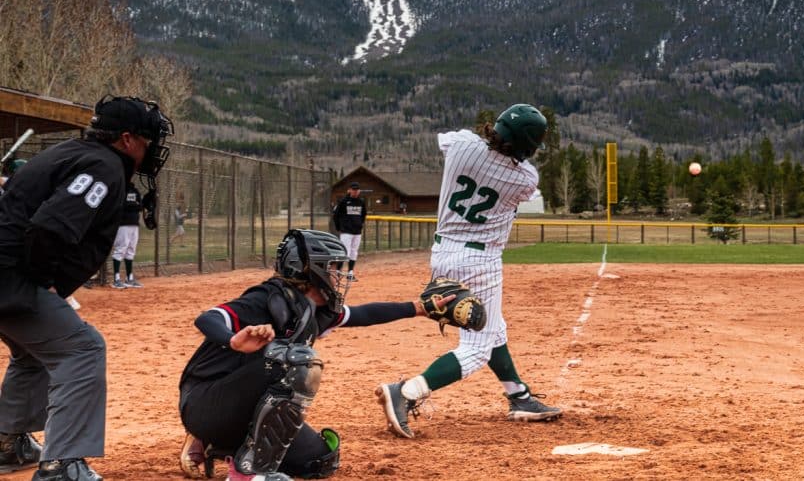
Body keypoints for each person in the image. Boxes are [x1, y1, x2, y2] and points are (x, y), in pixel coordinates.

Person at [178, 229, 452, 481]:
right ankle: (247, 472)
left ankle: (217, 444)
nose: (339, 276)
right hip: (205, 402)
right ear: (311, 270)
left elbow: (363, 314)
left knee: (319, 461)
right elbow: (209, 318)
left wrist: (418, 308)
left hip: (239, 410)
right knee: (296, 361)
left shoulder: (314, 310)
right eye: (333, 268)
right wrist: (233, 341)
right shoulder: (267, 299)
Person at [0, 95, 172, 480]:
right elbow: (50, 227)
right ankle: (63, 465)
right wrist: (43, 281)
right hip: (11, 277)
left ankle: (8, 444)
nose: (150, 150)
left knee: (34, 352)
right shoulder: (104, 166)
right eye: (146, 140)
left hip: (7, 272)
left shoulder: (72, 153)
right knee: (82, 348)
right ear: (126, 139)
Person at [376, 103, 562, 440]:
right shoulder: (525, 177)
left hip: (443, 253)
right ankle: (407, 391)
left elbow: (448, 140)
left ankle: (518, 395)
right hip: (481, 261)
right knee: (476, 348)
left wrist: (484, 142)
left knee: (494, 328)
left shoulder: (461, 145)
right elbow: (523, 182)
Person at [111, 181, 143, 288]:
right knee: (120, 249)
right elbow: (120, 205)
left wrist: (131, 206)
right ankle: (116, 279)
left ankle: (129, 278)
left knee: (131, 250)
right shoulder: (120, 189)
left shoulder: (135, 191)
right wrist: (133, 205)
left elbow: (140, 206)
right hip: (122, 224)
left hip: (134, 224)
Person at [331, 182, 366, 282]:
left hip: (357, 231)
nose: (355, 191)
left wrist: (360, 224)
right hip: (346, 231)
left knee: (354, 251)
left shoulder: (361, 202)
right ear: (349, 190)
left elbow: (363, 215)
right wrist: (339, 227)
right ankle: (338, 272)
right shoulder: (343, 202)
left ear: (359, 191)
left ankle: (350, 272)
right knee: (345, 251)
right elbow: (336, 215)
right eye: (353, 189)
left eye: (357, 190)